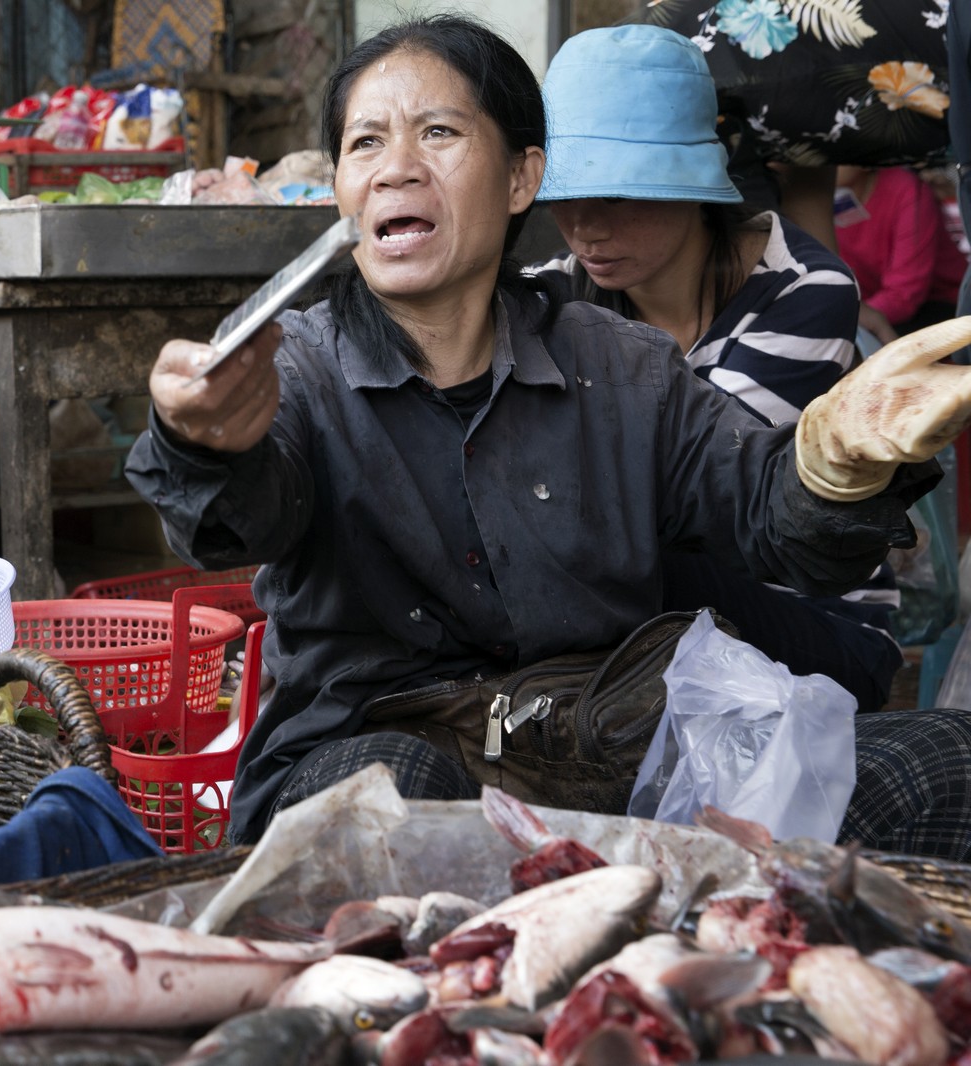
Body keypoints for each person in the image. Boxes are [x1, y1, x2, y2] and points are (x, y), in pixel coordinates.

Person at [124, 13, 971, 860]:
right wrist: (204, 445)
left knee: (947, 760)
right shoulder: (299, 371)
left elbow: (772, 524)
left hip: (612, 758)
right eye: (366, 143)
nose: (396, 169)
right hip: (383, 754)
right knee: (394, 804)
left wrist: (842, 460)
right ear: (343, 191)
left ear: (522, 176)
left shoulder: (622, 364)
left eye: (440, 133)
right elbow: (235, 521)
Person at [528, 25, 901, 715]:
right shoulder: (552, 295)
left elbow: (686, 501)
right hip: (663, 629)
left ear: (689, 185)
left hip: (817, 633)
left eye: (615, 196)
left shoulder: (806, 292)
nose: (583, 228)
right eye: (565, 196)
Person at [833, 165, 968, 346]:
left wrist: (847, 319)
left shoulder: (905, 189)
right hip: (874, 308)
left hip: (944, 302)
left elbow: (905, 294)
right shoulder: (817, 198)